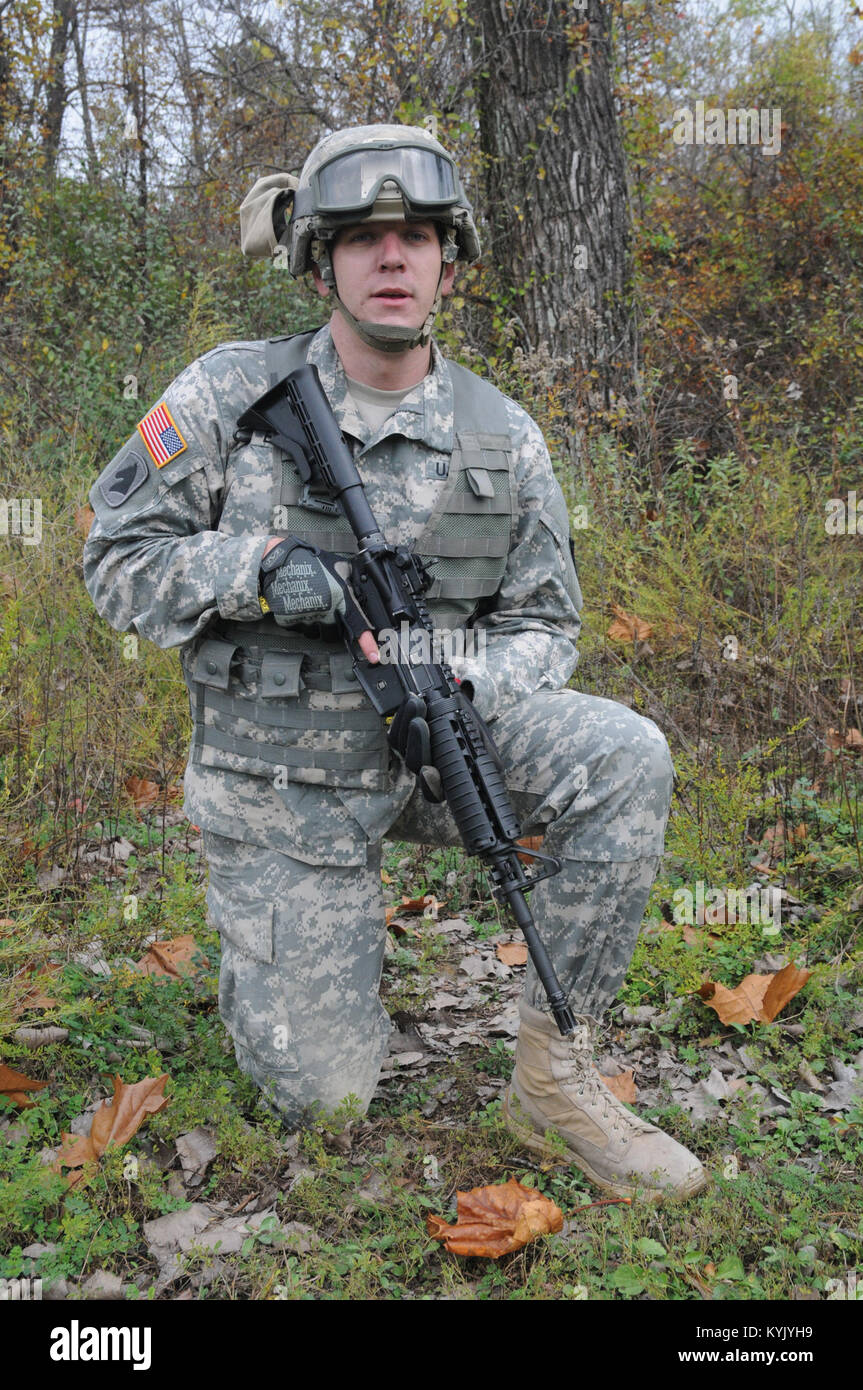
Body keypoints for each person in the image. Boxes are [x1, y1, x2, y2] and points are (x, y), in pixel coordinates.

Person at [83, 124, 707, 1201]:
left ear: (447, 263)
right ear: (319, 259)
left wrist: (460, 680)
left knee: (623, 752)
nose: (390, 258)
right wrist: (270, 571)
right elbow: (114, 561)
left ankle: (553, 1077)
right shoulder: (228, 395)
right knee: (323, 1101)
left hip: (426, 743)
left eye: (414, 236)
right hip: (282, 782)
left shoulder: (497, 435)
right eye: (362, 237)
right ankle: (293, 951)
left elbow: (547, 627)